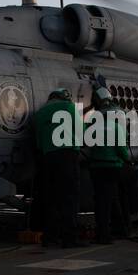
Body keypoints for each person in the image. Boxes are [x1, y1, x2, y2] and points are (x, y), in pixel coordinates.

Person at [33, 87, 83, 247]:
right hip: (68, 155)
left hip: (47, 157)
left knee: (51, 198)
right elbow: (80, 131)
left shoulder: (40, 113)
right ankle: (70, 239)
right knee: (69, 198)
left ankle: (50, 238)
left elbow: (38, 140)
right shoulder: (69, 107)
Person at [86, 89, 131, 244]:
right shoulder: (116, 127)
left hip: (96, 168)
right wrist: (127, 160)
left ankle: (105, 231)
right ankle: (116, 230)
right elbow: (123, 151)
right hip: (113, 168)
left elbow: (85, 142)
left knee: (101, 201)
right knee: (113, 199)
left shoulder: (92, 125)